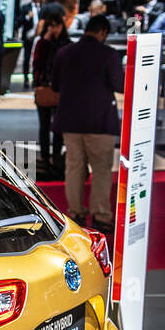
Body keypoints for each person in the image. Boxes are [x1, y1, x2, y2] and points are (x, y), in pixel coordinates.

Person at [51, 14, 122, 232]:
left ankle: (76, 214)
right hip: (99, 121)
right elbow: (120, 84)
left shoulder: (64, 53)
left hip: (70, 120)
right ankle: (100, 216)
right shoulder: (109, 54)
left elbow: (55, 85)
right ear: (103, 32)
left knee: (74, 167)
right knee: (101, 169)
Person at [32, 15, 71, 179]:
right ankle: (45, 157)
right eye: (51, 26)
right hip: (44, 88)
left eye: (57, 26)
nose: (54, 29)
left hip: (61, 90)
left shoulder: (67, 45)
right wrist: (46, 41)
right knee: (44, 124)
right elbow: (37, 64)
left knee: (58, 127)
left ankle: (56, 156)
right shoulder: (42, 43)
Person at [17, 0, 43, 88]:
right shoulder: (25, 7)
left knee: (37, 58)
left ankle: (36, 78)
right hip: (29, 37)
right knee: (26, 58)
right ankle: (26, 79)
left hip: (39, 37)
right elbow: (18, 21)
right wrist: (28, 17)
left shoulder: (43, 7)